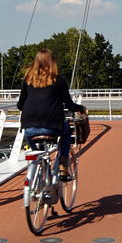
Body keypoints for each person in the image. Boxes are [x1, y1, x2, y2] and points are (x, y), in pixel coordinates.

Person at [17, 48, 87, 179]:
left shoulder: (28, 80)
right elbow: (70, 105)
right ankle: (63, 167)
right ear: (52, 63)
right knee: (67, 131)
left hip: (29, 129)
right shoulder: (59, 80)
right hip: (52, 127)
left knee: (37, 152)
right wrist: (81, 108)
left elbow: (20, 105)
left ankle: (40, 166)